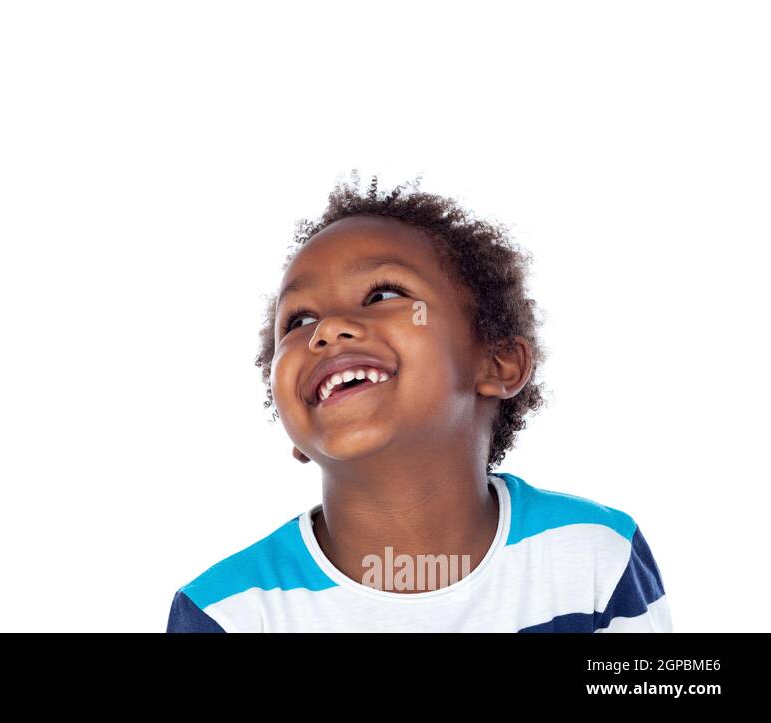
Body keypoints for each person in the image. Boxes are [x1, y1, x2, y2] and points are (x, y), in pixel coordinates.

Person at [166, 175, 670, 632]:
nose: (327, 329)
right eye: (297, 322)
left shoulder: (595, 558)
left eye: (384, 294)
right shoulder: (225, 615)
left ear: (498, 363)